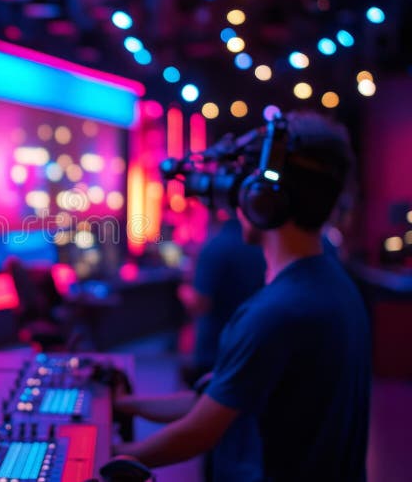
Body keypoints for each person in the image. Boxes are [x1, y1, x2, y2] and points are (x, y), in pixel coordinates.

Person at [114, 111, 370, 481]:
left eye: (244, 184)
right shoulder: (333, 283)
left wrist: (104, 455)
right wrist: (128, 404)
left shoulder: (277, 312)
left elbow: (199, 432)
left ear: (262, 199)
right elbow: (221, 398)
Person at [179, 211, 266, 386]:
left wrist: (184, 292)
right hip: (254, 344)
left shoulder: (216, 247)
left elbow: (200, 303)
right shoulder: (264, 245)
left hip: (214, 348)